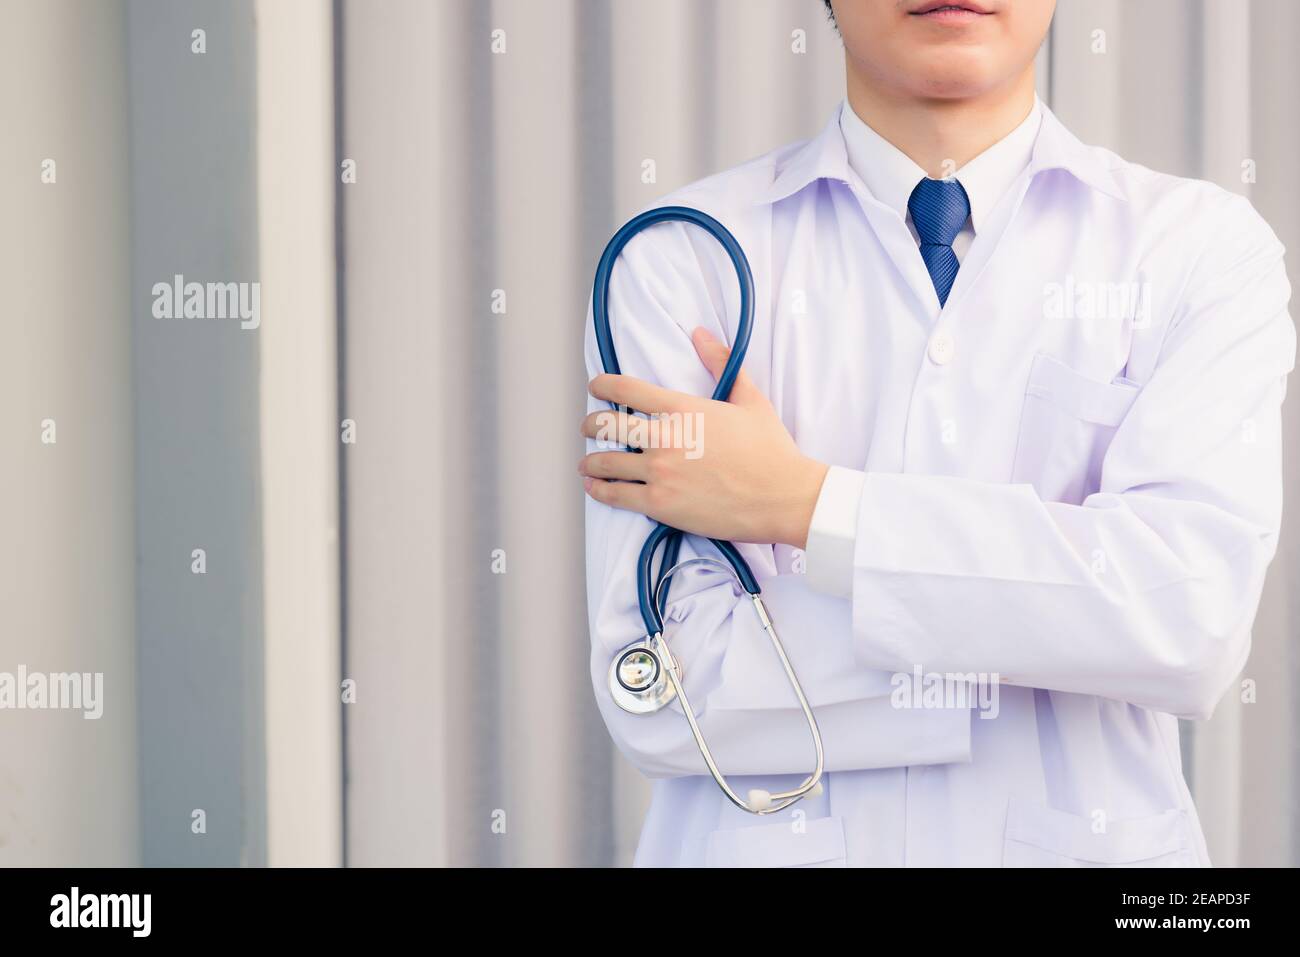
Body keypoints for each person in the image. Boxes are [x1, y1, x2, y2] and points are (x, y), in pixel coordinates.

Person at [578, 0, 1294, 867]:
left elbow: (1190, 621)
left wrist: (805, 503)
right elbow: (660, 692)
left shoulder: (1198, 250)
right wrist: (1052, 625)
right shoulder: (677, 259)